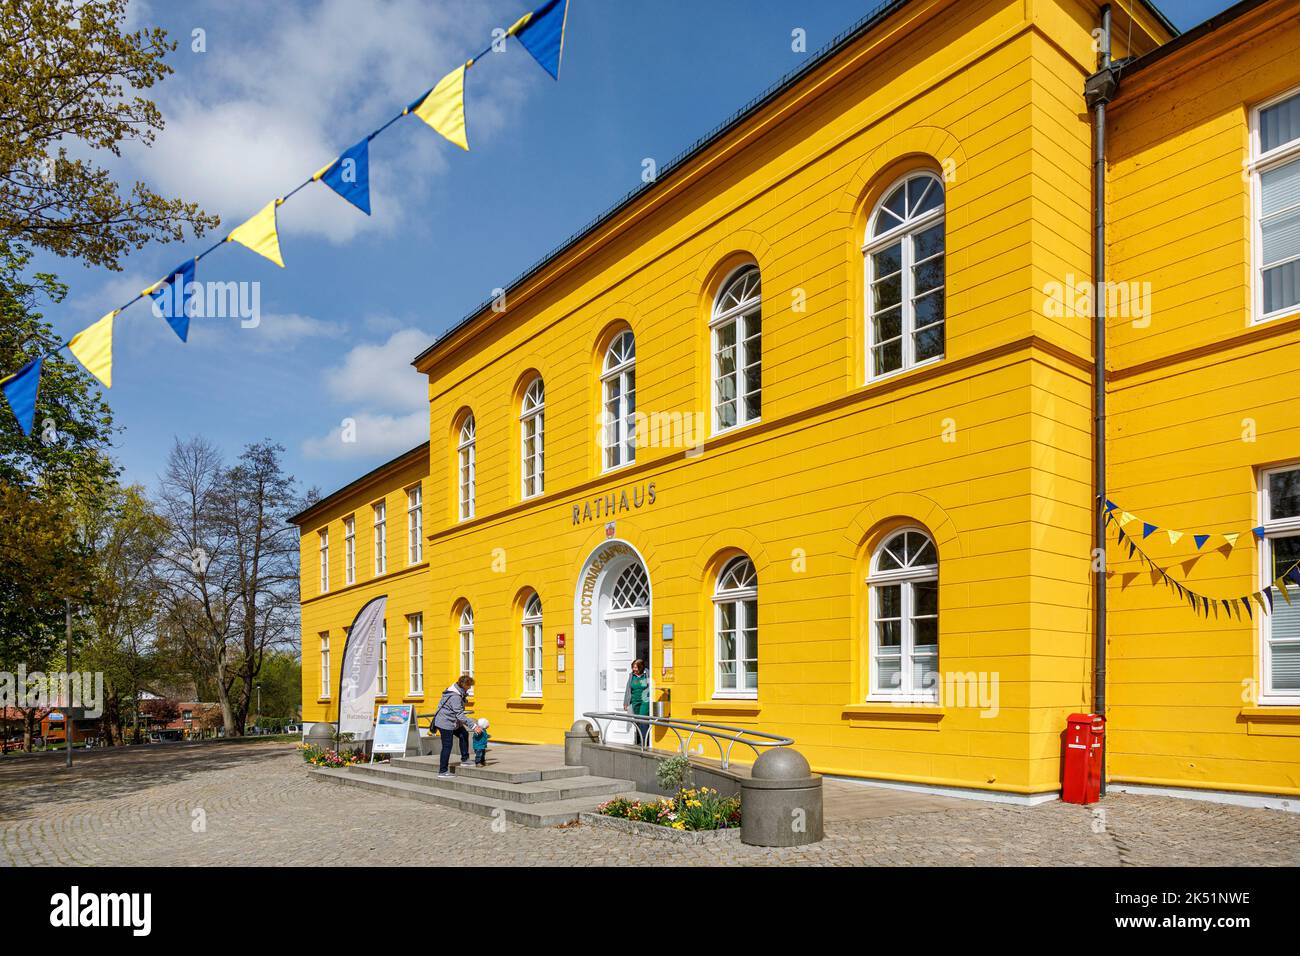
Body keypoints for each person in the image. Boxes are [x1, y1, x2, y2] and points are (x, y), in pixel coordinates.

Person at [433, 675, 477, 777]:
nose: (470, 688)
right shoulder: (455, 696)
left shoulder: (458, 692)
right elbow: (460, 714)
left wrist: (464, 697)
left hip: (453, 722)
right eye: (469, 686)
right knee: (447, 746)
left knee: (463, 734)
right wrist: (474, 726)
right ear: (463, 685)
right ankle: (443, 771)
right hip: (445, 722)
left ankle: (465, 759)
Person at [623, 658, 651, 747]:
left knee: (643, 719)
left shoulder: (647, 674)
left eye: (636, 667)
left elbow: (651, 686)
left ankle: (644, 742)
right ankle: (640, 739)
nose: (634, 669)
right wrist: (626, 702)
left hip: (645, 700)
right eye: (633, 667)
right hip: (635, 701)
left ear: (641, 667)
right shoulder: (632, 675)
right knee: (637, 721)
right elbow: (628, 689)